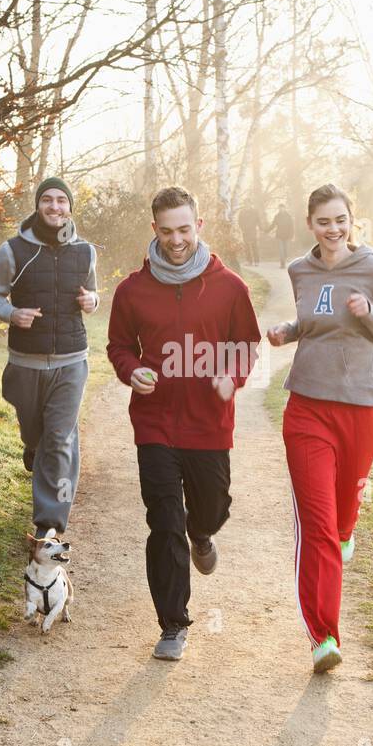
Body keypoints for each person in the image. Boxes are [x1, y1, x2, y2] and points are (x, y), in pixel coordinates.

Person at [107, 185, 260, 661]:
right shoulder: (133, 289)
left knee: (210, 507)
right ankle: (173, 624)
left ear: (200, 226)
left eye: (185, 229)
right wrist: (132, 372)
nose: (176, 239)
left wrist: (230, 377)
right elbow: (118, 346)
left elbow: (248, 344)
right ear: (154, 230)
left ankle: (204, 533)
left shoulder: (230, 286)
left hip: (209, 424)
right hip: (154, 424)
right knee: (163, 520)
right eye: (167, 231)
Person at [267, 183, 373, 673]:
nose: (332, 228)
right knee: (319, 528)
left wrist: (369, 315)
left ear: (353, 220)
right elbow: (311, 319)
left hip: (360, 411)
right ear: (310, 225)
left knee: (342, 520)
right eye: (323, 221)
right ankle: (323, 636)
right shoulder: (299, 269)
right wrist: (288, 331)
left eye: (340, 219)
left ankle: (350, 530)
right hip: (306, 409)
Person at [0, 176, 99, 538]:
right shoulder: (13, 250)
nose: (54, 207)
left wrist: (92, 302)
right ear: (38, 206)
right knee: (36, 432)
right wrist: (11, 314)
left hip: (71, 359)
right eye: (47, 200)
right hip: (25, 363)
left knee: (61, 438)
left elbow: (93, 294)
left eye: (61, 200)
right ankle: (33, 446)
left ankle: (49, 524)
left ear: (69, 208)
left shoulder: (86, 252)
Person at [268, 203, 295, 267]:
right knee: (281, 250)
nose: (281, 209)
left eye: (282, 208)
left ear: (284, 208)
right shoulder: (277, 216)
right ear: (279, 209)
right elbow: (273, 224)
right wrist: (267, 230)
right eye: (280, 208)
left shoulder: (288, 216)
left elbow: (291, 226)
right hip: (279, 236)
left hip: (287, 236)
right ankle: (282, 264)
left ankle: (285, 258)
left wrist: (292, 235)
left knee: (286, 250)